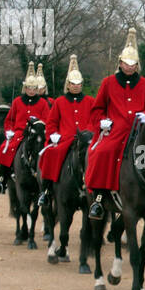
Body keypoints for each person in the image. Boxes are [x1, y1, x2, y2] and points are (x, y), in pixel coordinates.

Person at [85, 29, 145, 218]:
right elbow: (97, 109)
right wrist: (102, 122)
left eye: (133, 64)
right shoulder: (108, 83)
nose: (129, 67)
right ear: (120, 63)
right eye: (126, 63)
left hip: (139, 132)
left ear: (137, 65)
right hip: (115, 131)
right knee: (102, 152)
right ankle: (99, 197)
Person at [37, 54, 95, 210]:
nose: (76, 86)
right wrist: (53, 135)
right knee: (49, 154)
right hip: (65, 139)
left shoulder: (90, 101)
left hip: (86, 139)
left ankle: (100, 194)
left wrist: (88, 133)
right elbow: (51, 123)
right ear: (68, 85)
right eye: (73, 83)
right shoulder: (59, 102)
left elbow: (94, 119)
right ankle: (46, 190)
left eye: (79, 83)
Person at [0, 60, 50, 194]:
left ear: (37, 89)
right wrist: (9, 132)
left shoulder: (42, 103)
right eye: (29, 88)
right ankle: (2, 181)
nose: (31, 91)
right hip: (19, 133)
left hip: (36, 133)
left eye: (34, 88)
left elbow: (47, 120)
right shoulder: (17, 102)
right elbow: (9, 121)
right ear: (25, 88)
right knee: (5, 149)